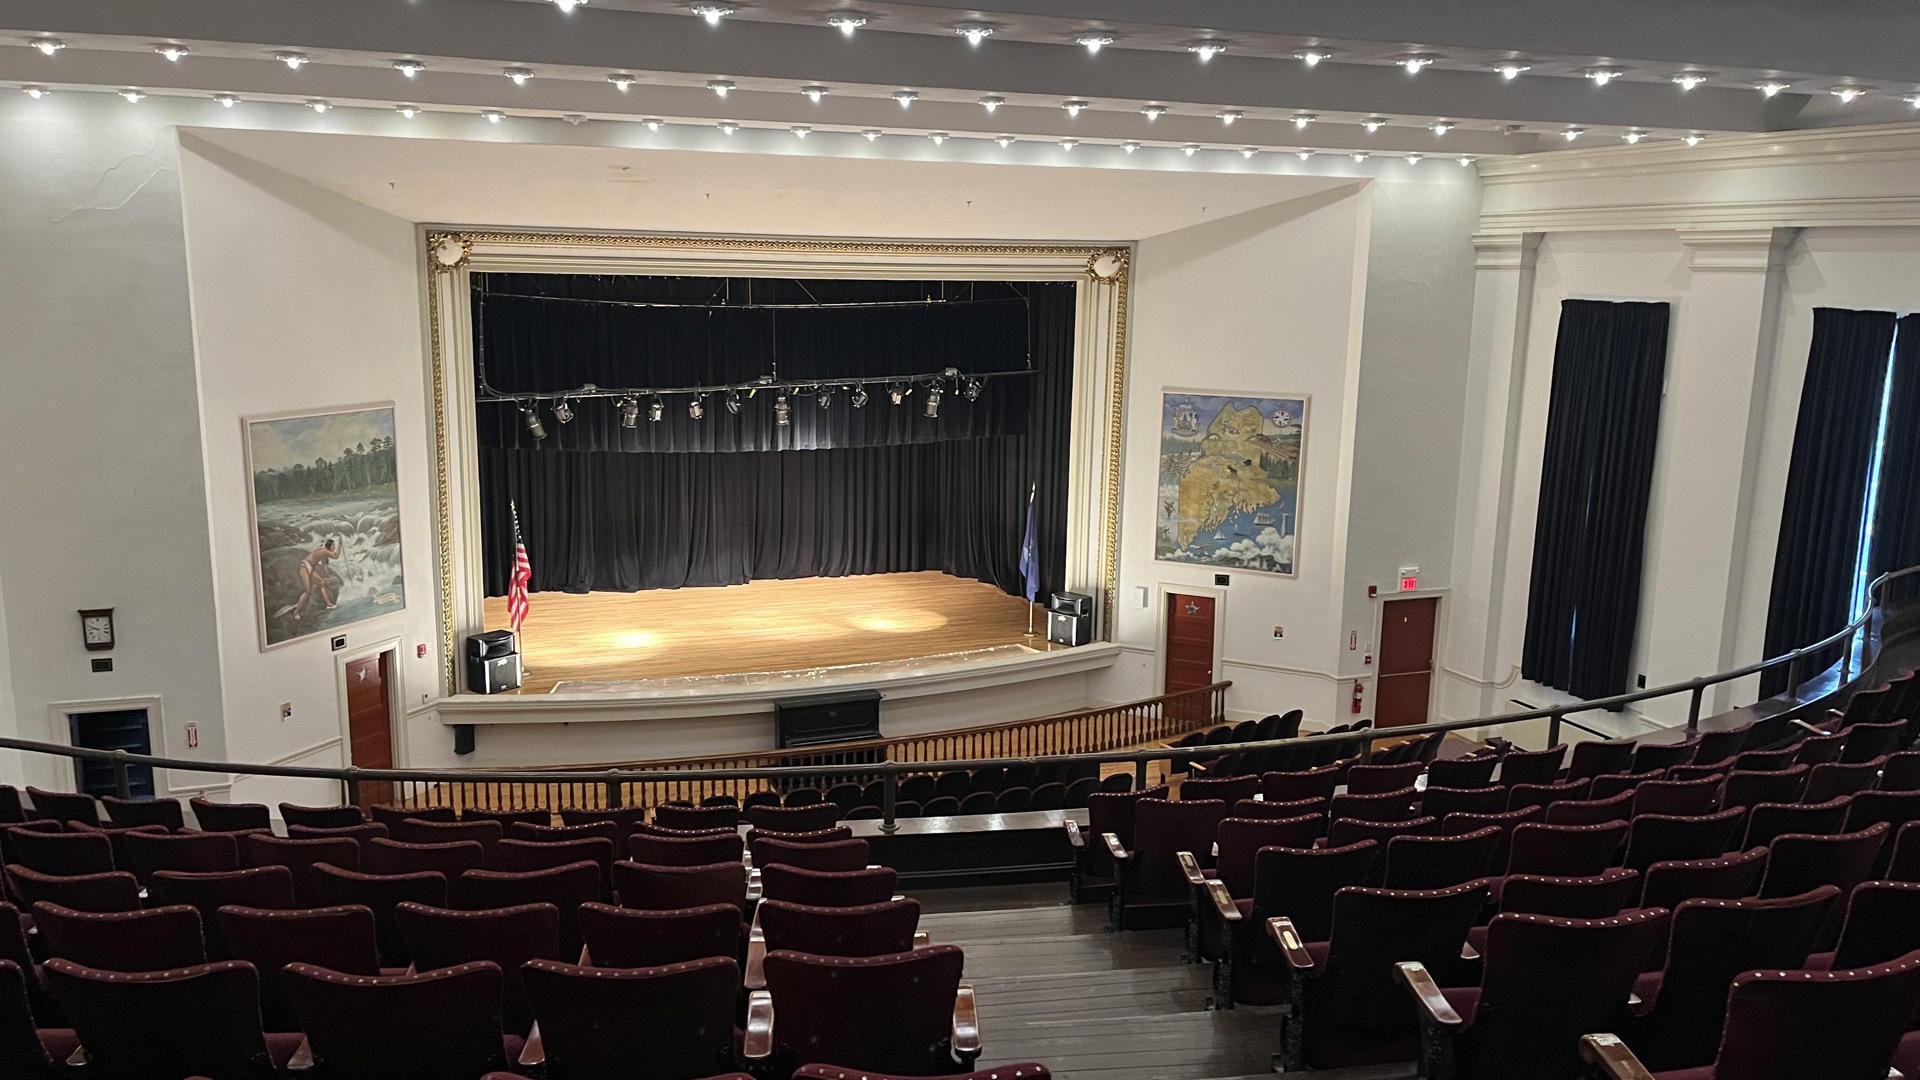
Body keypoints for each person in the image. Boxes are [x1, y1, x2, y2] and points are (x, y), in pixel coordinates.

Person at [293, 538, 343, 617]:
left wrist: (328, 575)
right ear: (331, 546)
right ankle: (296, 611)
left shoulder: (324, 553)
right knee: (307, 592)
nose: (334, 548)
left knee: (322, 582)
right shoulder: (324, 550)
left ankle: (329, 604)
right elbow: (335, 556)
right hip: (305, 568)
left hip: (309, 569)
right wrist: (339, 544)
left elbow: (324, 564)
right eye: (333, 546)